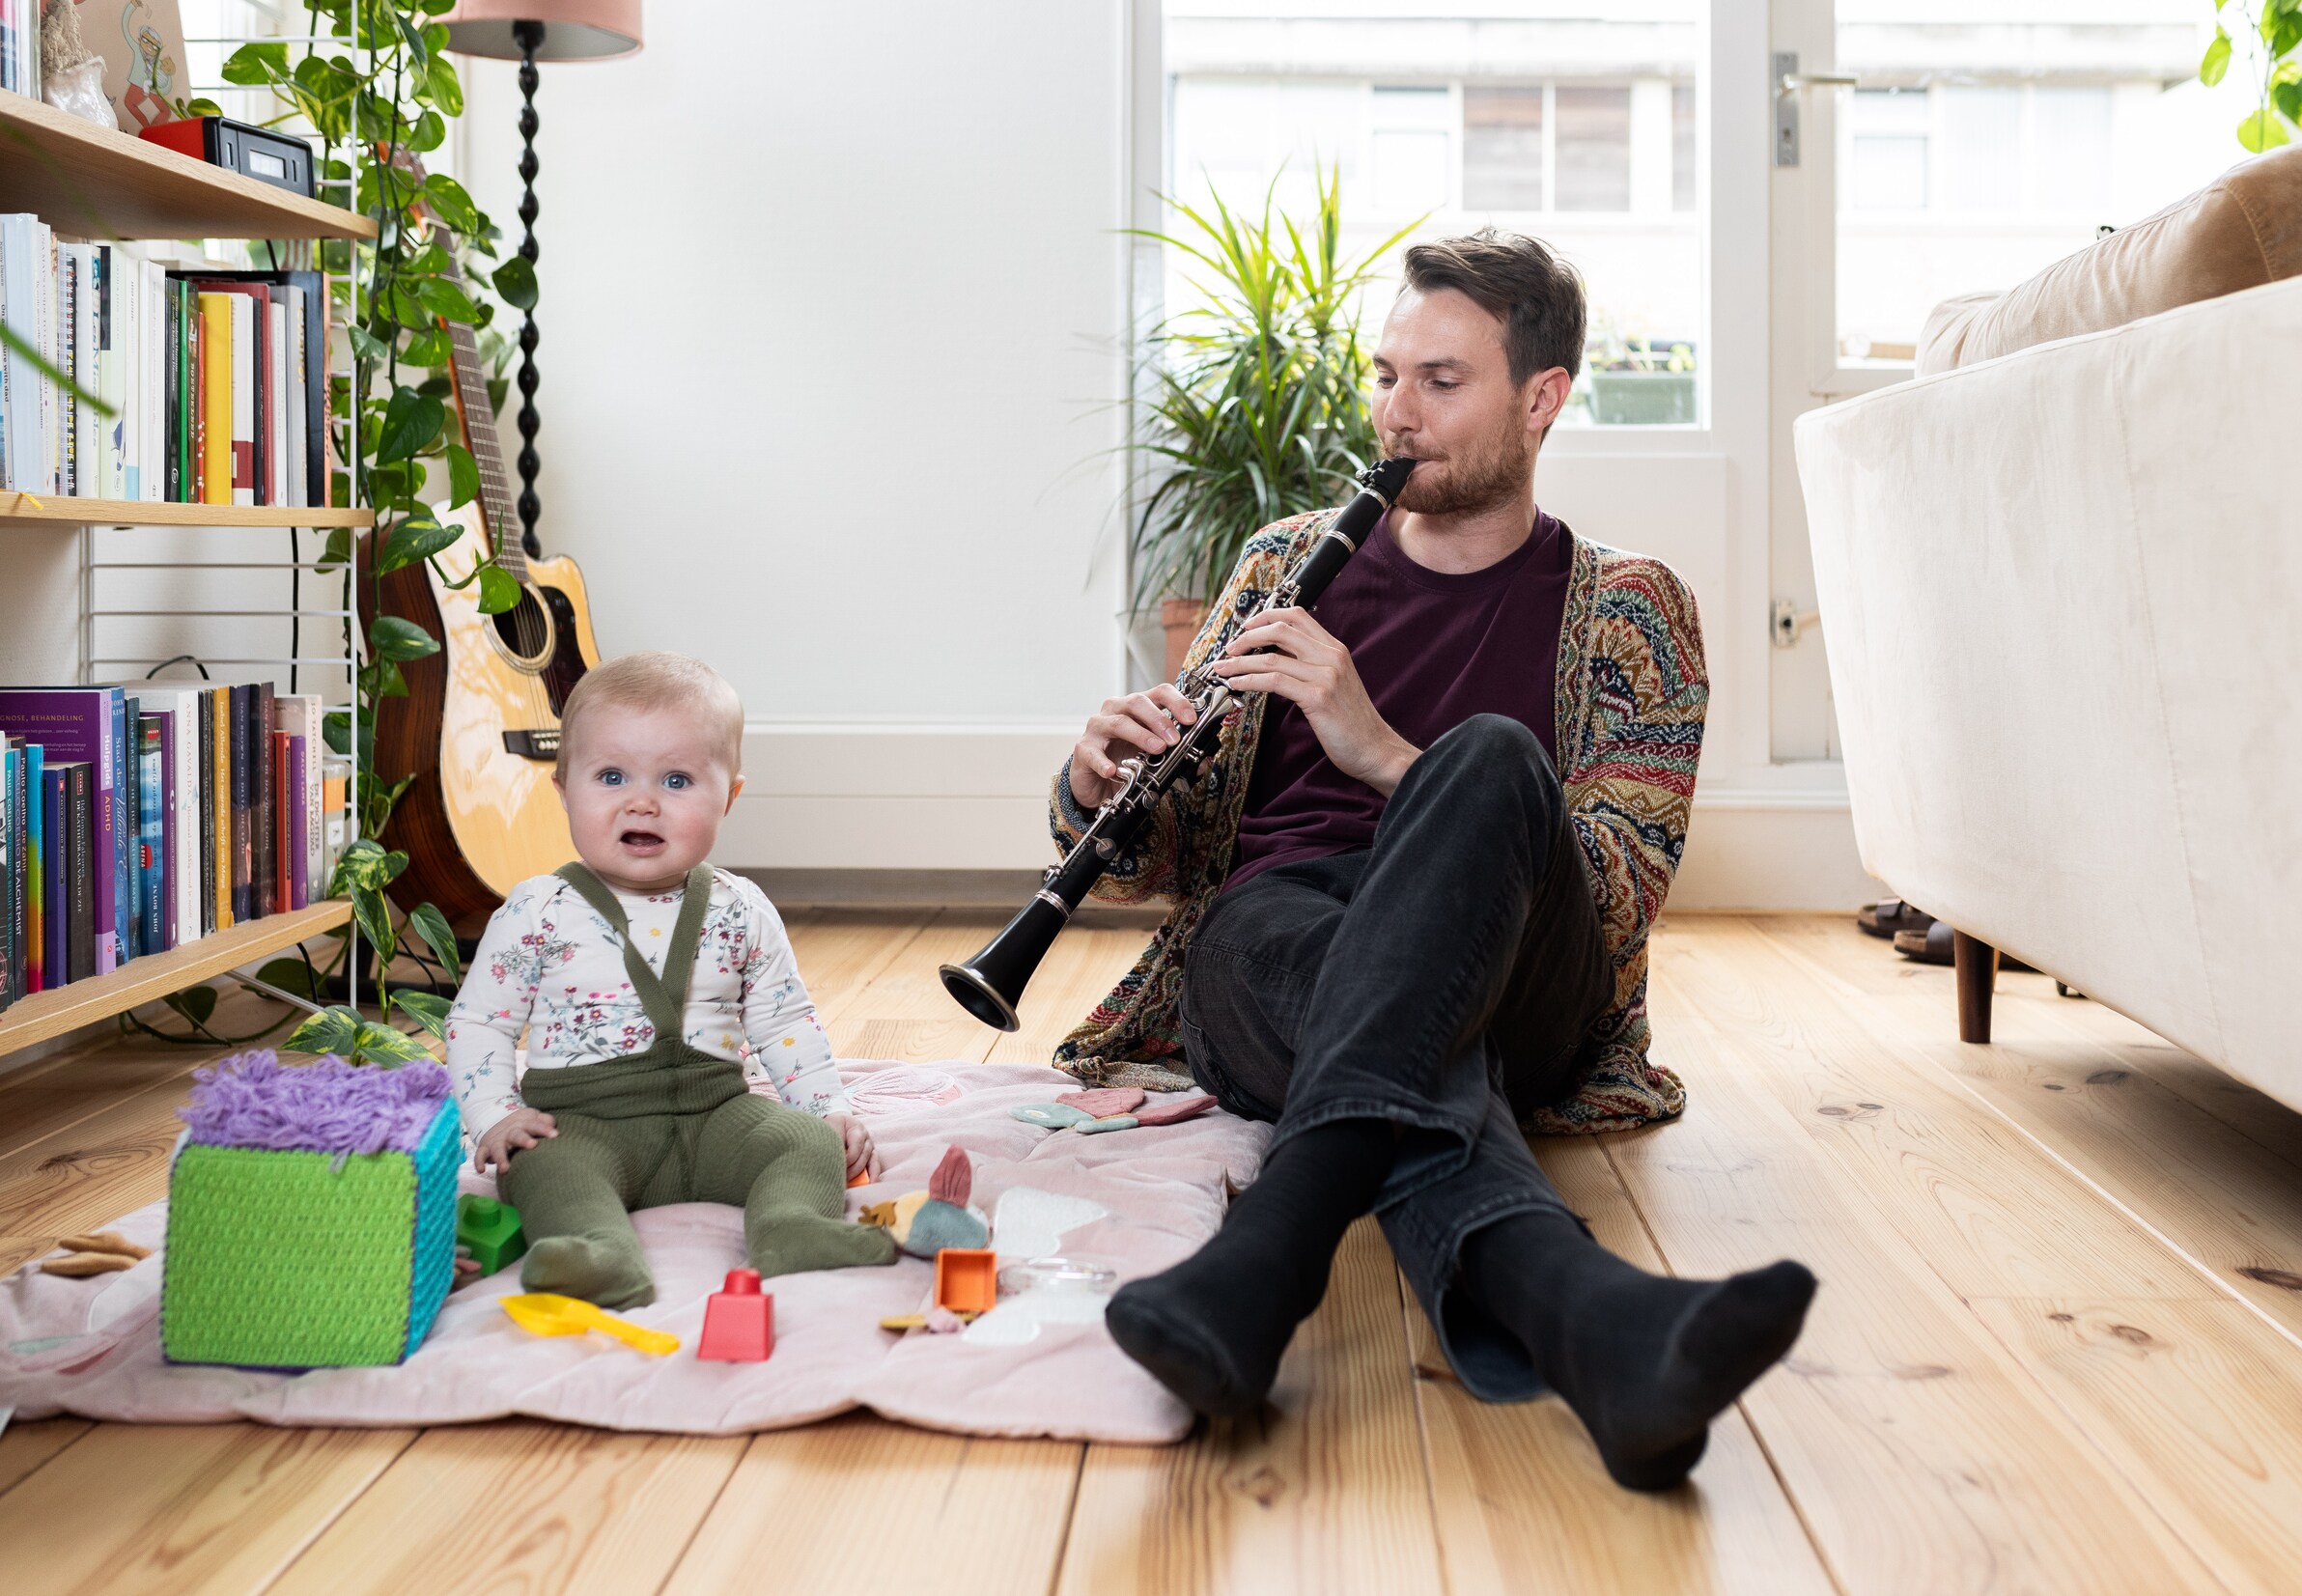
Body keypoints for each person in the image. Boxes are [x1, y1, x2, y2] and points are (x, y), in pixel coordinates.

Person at [1056, 230, 1816, 1491]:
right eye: (1384, 373)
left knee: (1487, 760)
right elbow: (1170, 855)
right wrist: (1092, 783)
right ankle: (1605, 1328)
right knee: (1271, 934)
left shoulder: (1632, 611)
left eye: (1440, 382)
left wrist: (1371, 745)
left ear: (1541, 399)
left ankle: (1275, 1250)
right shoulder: (1279, 567)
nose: (1394, 412)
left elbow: (1614, 895)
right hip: (1280, 946)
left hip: (1516, 978)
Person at [443, 651, 894, 1308]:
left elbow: (784, 1017)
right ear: (565, 791)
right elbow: (481, 1020)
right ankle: (597, 1252)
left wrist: (827, 1109)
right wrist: (497, 1116)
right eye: (612, 776)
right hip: (584, 1121)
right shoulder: (537, 909)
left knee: (804, 1144)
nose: (644, 801)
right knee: (542, 1167)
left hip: (717, 1115)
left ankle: (793, 1227)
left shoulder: (739, 907)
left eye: (677, 780)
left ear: (729, 796)